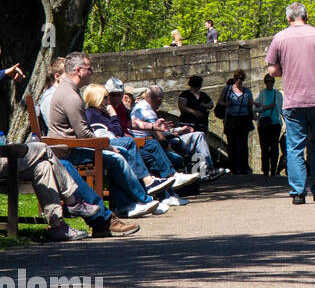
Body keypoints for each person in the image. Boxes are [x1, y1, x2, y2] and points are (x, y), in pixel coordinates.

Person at [45, 52, 162, 219]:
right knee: (117, 158)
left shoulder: (67, 89)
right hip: (68, 150)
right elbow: (84, 134)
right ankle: (142, 200)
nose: (92, 72)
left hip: (68, 146)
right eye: (89, 69)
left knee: (118, 154)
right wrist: (107, 146)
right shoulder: (71, 96)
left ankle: (127, 205)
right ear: (79, 71)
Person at [265, 2, 315, 204]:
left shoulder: (280, 37)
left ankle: (298, 192)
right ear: (306, 17)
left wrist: (284, 71)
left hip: (294, 101)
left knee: (295, 147)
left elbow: (272, 70)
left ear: (288, 19)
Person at [83, 83, 194, 210]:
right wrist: (113, 115)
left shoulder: (110, 111)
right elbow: (113, 133)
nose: (111, 99)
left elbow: (128, 126)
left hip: (120, 143)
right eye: (108, 96)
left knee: (151, 144)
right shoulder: (93, 113)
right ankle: (148, 190)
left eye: (117, 95)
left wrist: (153, 126)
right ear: (97, 98)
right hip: (110, 146)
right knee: (142, 152)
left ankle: (169, 183)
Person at [133, 85, 224, 180]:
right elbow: (160, 138)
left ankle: (199, 172)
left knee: (195, 136)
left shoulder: (141, 107)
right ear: (159, 100)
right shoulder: (147, 112)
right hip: (152, 145)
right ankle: (205, 171)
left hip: (148, 142)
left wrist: (178, 130)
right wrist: (171, 149)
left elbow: (156, 131)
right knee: (198, 136)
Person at [219, 69, 254, 175]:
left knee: (243, 144)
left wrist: (254, 113)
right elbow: (220, 101)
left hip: (244, 118)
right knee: (232, 144)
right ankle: (233, 167)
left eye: (241, 79)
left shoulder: (247, 91)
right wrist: (226, 104)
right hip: (231, 118)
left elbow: (250, 104)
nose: (239, 81)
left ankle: (244, 167)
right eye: (237, 78)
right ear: (234, 79)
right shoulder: (227, 89)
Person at [254, 74, 283, 177]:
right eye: (268, 81)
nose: (270, 83)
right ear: (265, 82)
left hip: (275, 123)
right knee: (265, 147)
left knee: (274, 147)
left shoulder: (278, 94)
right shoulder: (261, 94)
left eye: (271, 81)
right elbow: (255, 108)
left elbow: (282, 109)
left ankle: (273, 170)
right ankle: (265, 170)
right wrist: (266, 107)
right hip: (263, 123)